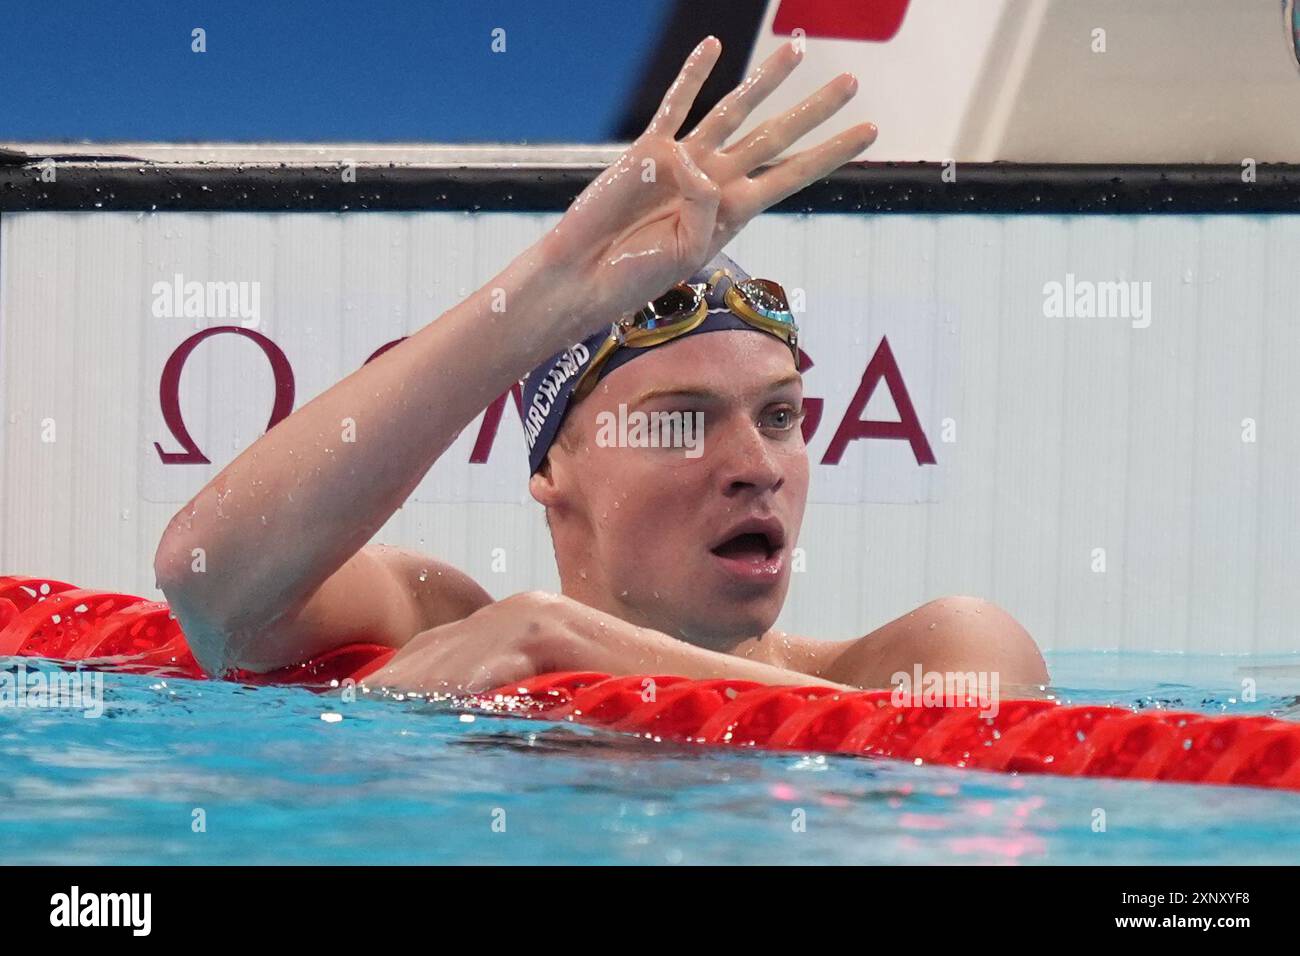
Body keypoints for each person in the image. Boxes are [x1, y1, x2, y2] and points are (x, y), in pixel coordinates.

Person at [154, 37, 1048, 696]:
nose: (758, 468)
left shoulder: (937, 649)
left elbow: (968, 741)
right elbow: (210, 584)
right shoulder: (444, 625)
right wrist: (542, 294)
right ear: (550, 467)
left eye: (780, 416)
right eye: (684, 420)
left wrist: (568, 642)